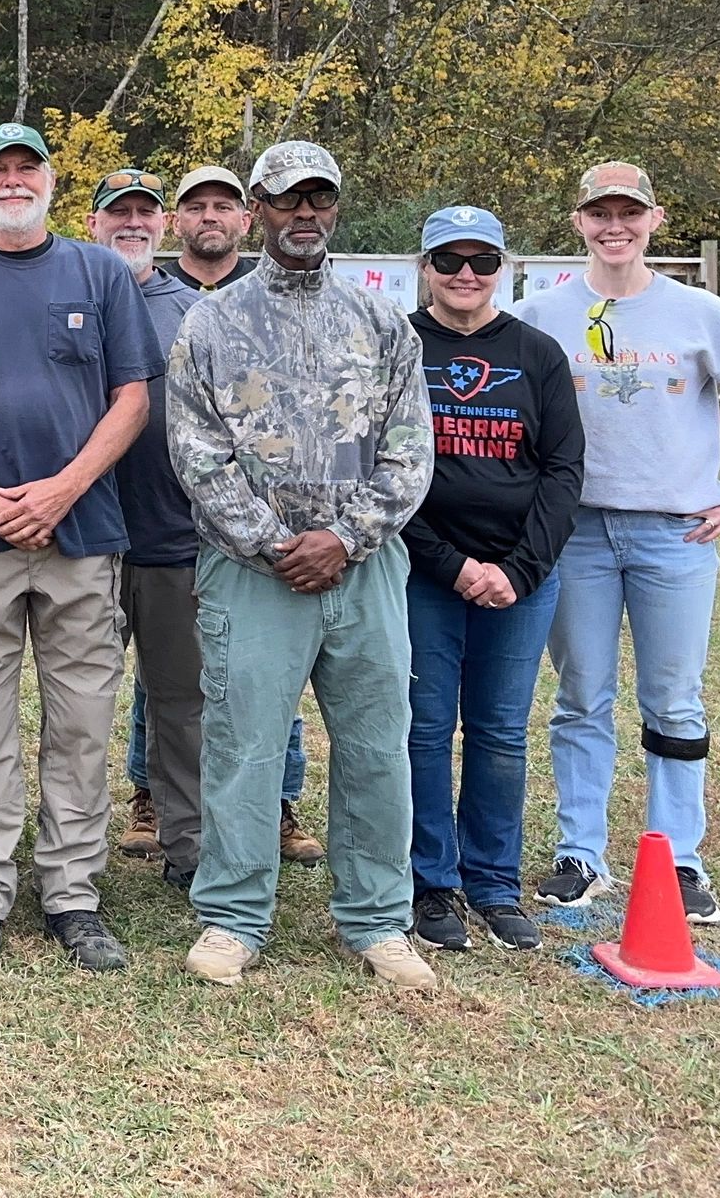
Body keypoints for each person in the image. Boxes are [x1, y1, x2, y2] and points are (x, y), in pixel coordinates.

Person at [165, 141, 436, 992]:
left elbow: (411, 453)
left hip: (364, 572)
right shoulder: (211, 322)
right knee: (245, 747)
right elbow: (196, 451)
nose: (305, 214)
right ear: (258, 208)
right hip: (254, 572)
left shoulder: (384, 324)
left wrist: (346, 539)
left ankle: (377, 918)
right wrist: (274, 542)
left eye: (320, 199)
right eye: (288, 200)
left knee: (376, 747)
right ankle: (234, 915)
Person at [517, 162, 720, 924]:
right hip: (574, 534)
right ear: (578, 220)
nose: (615, 227)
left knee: (674, 701)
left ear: (654, 220)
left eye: (630, 214)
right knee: (581, 696)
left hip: (673, 536)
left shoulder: (698, 314)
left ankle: (678, 857)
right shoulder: (542, 313)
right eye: (599, 213)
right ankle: (580, 853)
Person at [0, 122, 153, 978]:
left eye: (27, 168)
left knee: (82, 723)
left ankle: (73, 894)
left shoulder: (100, 272)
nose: (13, 182)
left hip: (82, 535)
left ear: (50, 180)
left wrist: (60, 491)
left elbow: (130, 399)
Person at [118, 160, 322, 870]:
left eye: (223, 205)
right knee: (167, 684)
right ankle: (151, 794)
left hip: (244, 529)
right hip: (137, 521)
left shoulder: (273, 298)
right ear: (179, 221)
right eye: (194, 206)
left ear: (247, 216)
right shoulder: (137, 290)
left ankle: (278, 804)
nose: (210, 216)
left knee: (258, 679)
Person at [403, 206, 584, 952]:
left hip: (520, 580)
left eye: (482, 261)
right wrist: (453, 565)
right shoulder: (398, 345)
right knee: (422, 730)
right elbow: (381, 468)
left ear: (503, 267)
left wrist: (516, 570)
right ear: (425, 268)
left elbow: (564, 469)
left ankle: (493, 883)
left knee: (502, 733)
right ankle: (431, 883)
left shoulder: (537, 354)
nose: (466, 275)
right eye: (450, 261)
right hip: (422, 573)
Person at [86, 170, 206, 889]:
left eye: (144, 213)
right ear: (93, 222)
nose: (131, 223)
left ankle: (187, 846)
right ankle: (71, 854)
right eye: (116, 213)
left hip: (172, 537)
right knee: (77, 707)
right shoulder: (68, 290)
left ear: (162, 225)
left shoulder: (196, 310)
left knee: (182, 705)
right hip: (82, 535)